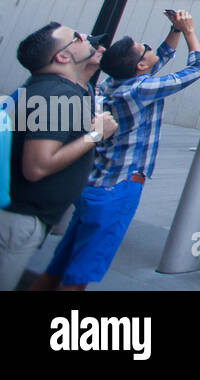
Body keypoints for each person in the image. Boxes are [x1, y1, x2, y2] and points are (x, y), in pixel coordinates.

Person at [32, 10, 200, 291]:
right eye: (145, 49)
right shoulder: (140, 90)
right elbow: (198, 67)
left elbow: (158, 59)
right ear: (139, 67)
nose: (150, 48)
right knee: (79, 275)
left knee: (60, 264)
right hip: (117, 188)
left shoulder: (112, 84)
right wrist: (189, 32)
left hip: (92, 186)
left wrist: (174, 31)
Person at [1, 24, 116, 291]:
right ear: (62, 57)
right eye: (76, 37)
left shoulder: (47, 88)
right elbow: (37, 166)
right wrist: (97, 134)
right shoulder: (60, 94)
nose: (85, 38)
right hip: (19, 221)